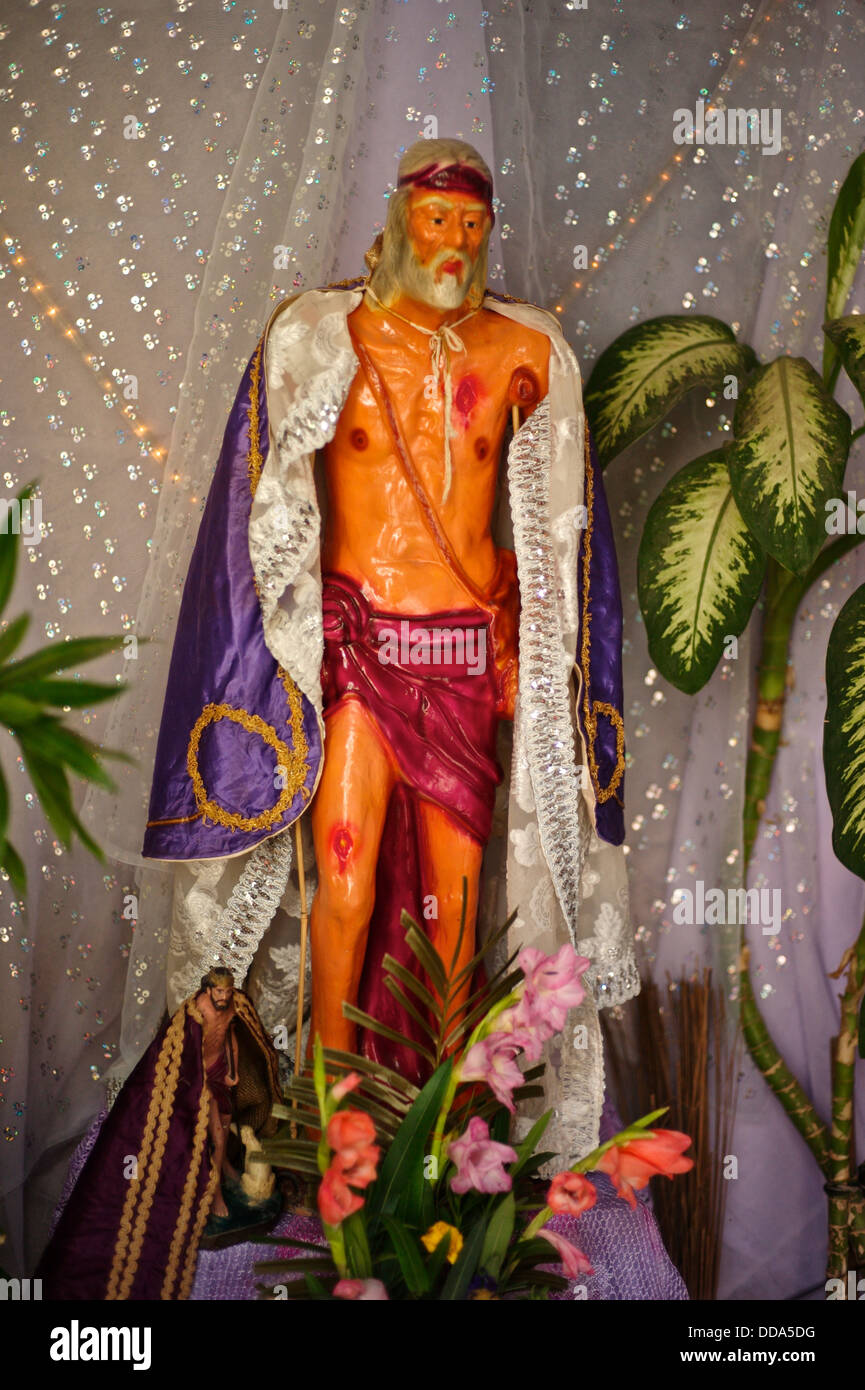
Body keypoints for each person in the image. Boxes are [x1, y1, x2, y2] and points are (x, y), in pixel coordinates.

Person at [142, 138, 637, 1156]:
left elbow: (564, 534)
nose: (453, 240)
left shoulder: (527, 354)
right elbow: (258, 507)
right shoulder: (321, 339)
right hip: (360, 655)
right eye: (435, 216)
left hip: (460, 661)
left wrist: (525, 640)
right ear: (399, 215)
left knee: (455, 916)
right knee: (347, 881)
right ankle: (329, 1126)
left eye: (471, 222)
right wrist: (289, 635)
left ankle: (442, 1138)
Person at [37, 968, 281, 1300]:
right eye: (218, 992)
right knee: (207, 1138)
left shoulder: (234, 1008)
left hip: (220, 1076)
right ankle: (214, 1193)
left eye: (227, 992)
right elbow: (181, 1050)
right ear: (207, 991)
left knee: (223, 1135)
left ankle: (223, 1173)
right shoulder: (196, 1012)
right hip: (199, 1079)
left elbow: (232, 1040)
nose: (223, 998)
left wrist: (235, 1071)